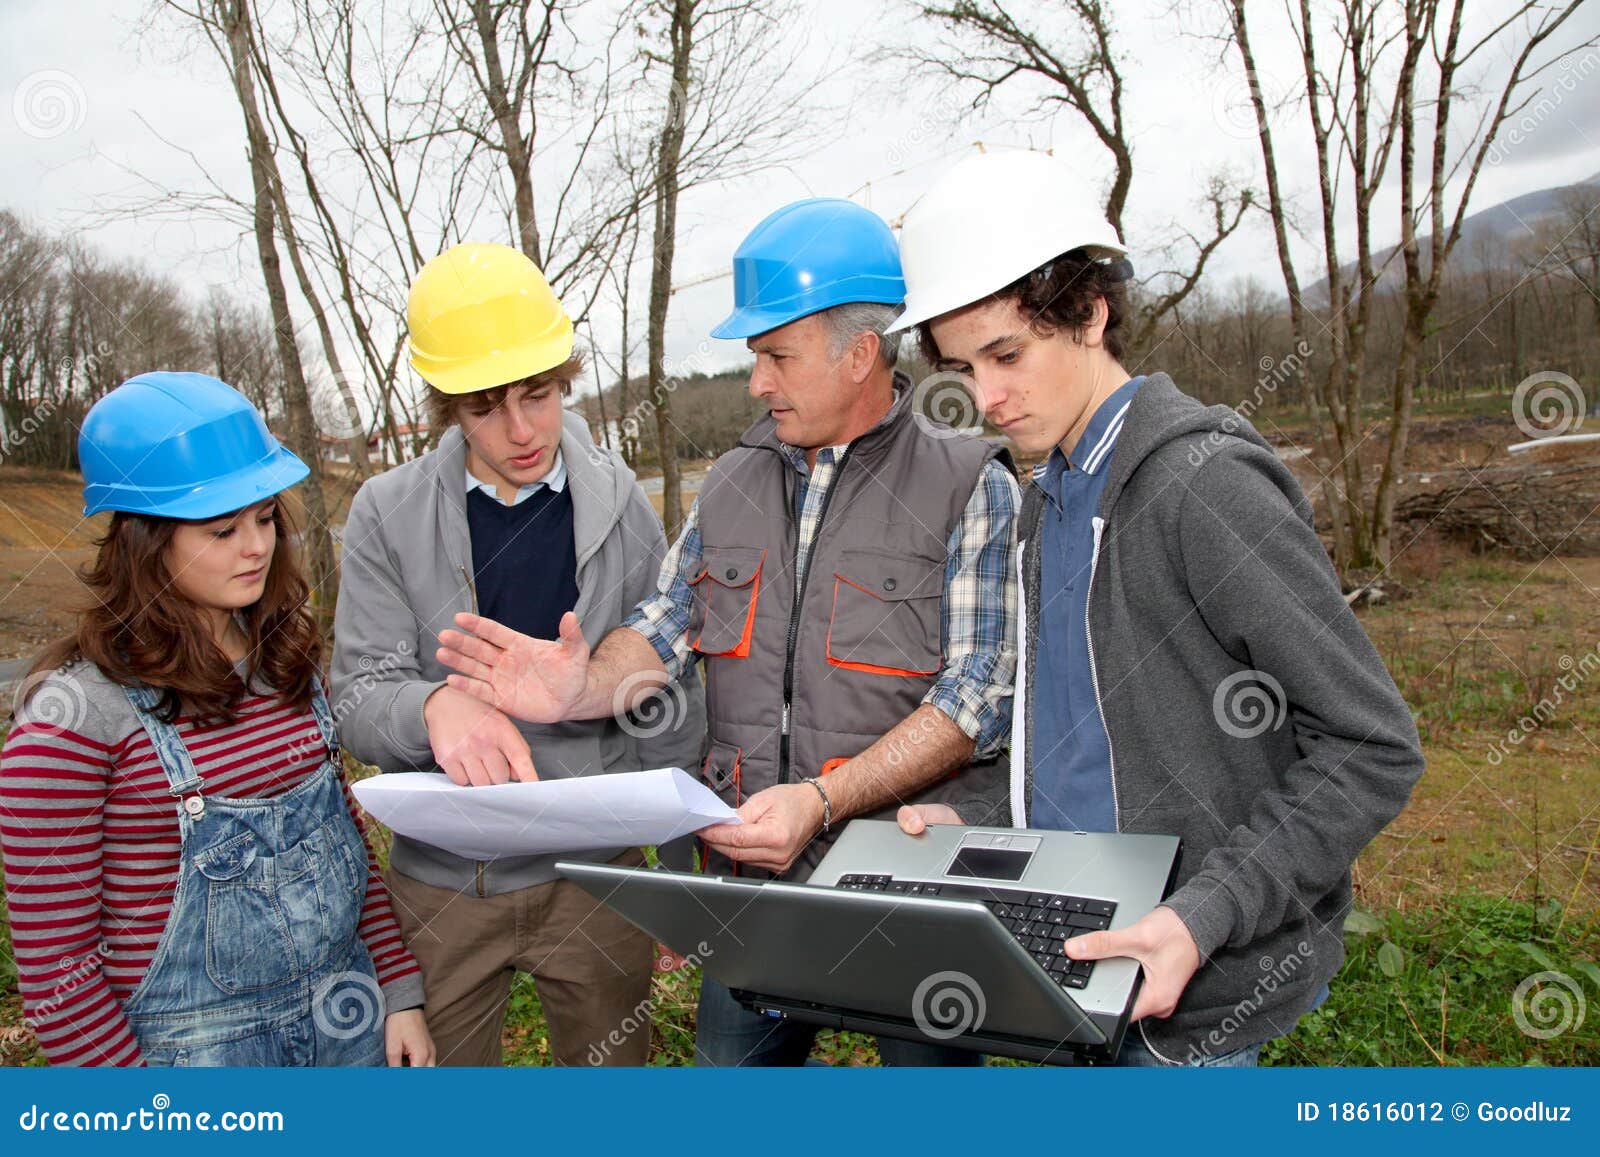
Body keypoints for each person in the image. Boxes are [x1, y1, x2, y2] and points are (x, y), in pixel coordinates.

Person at [434, 199, 1020, 1067]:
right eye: (754, 359)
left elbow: (977, 698)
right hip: (755, 894)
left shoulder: (970, 483)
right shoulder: (732, 483)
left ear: (860, 353)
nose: (757, 383)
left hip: (905, 885)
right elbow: (665, 625)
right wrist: (583, 686)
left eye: (776, 357)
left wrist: (823, 801)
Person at [889, 150, 1426, 1066]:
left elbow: (1371, 746)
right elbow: (1082, 721)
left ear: (1091, 313)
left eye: (1007, 354)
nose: (985, 398)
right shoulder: (1044, 494)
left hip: (1193, 1003)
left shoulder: (1201, 486)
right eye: (960, 366)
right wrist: (979, 805)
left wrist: (1201, 914)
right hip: (1079, 963)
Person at [330, 242, 704, 1067]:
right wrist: (433, 706)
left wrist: (678, 874)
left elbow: (666, 692)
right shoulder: (386, 515)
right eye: (485, 407)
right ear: (446, 407)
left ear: (564, 377)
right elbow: (356, 695)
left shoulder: (622, 510)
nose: (522, 429)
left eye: (538, 395)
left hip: (599, 874)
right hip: (446, 883)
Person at [0, 372, 433, 1067]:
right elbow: (59, 970)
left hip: (351, 1028)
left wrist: (400, 990)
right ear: (147, 542)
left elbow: (347, 846)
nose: (257, 546)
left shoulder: (287, 664)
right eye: (223, 528)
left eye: (265, 518)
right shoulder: (72, 722)